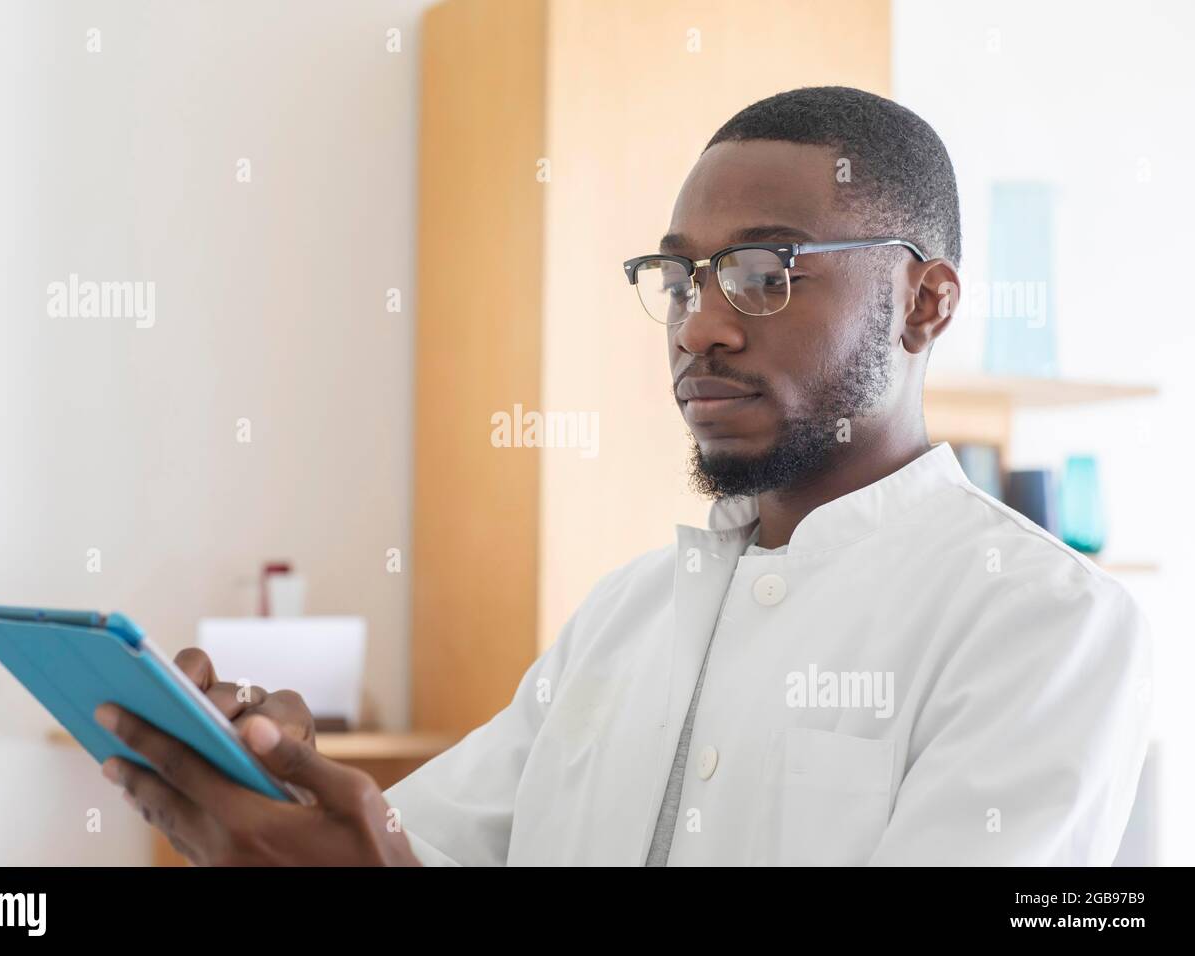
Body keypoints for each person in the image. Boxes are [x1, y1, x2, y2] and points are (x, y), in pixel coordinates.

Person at [95, 86, 1151, 866]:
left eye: (763, 272)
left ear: (925, 302)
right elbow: (422, 849)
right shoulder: (625, 614)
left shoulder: (1046, 628)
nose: (699, 323)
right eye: (682, 274)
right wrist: (289, 785)